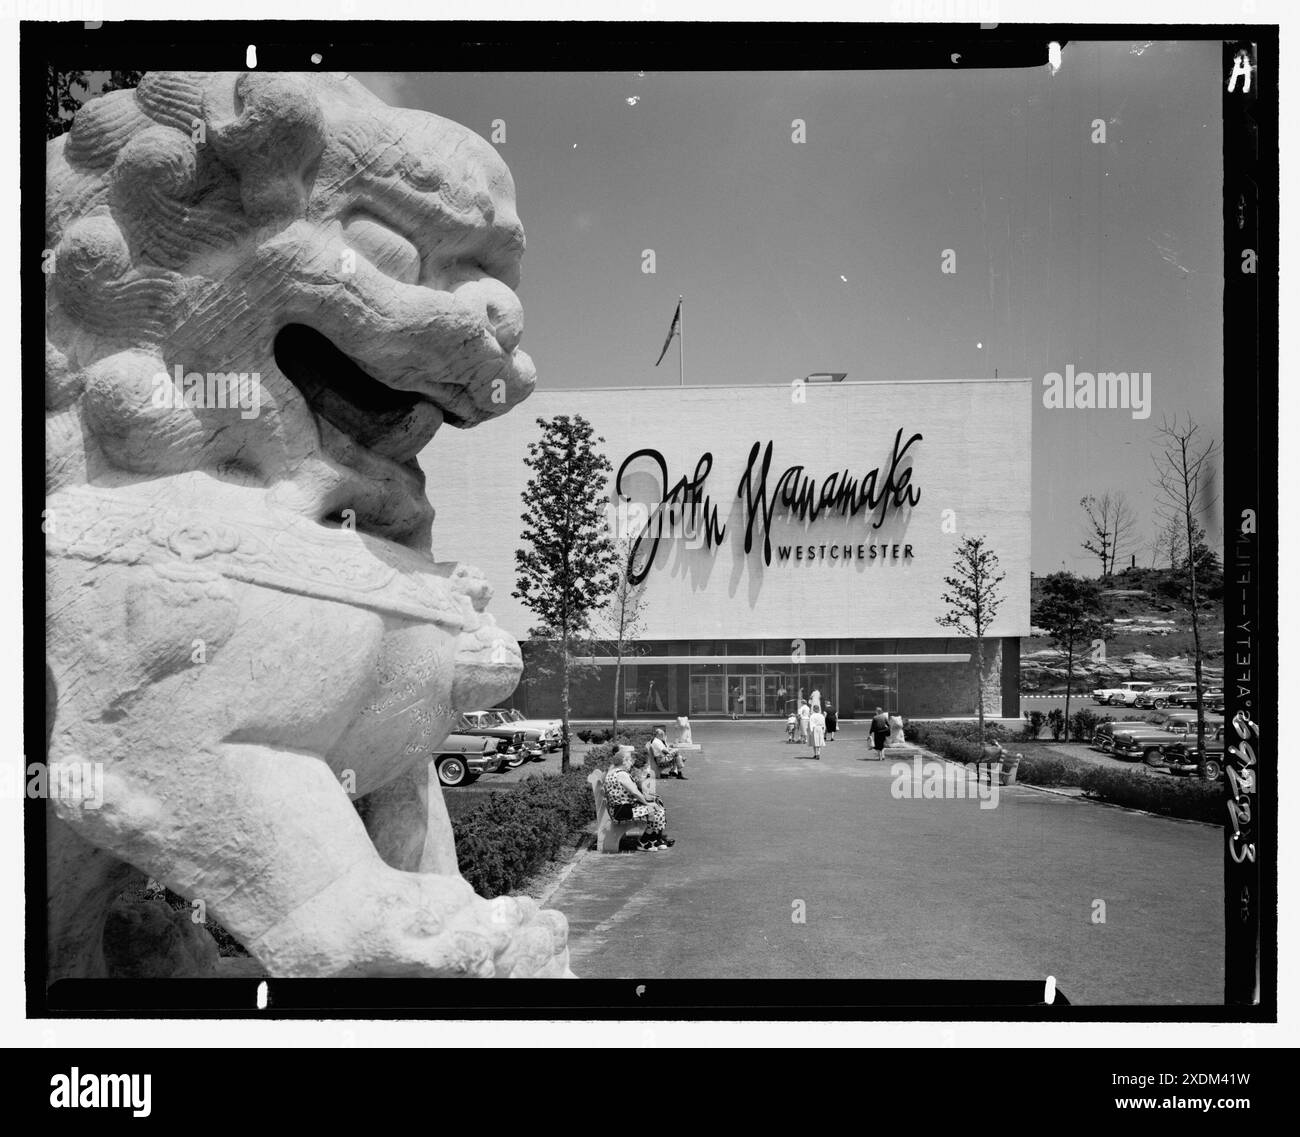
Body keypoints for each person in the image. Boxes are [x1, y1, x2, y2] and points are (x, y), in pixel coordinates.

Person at [603, 749, 673, 851]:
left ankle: (654, 840)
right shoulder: (622, 774)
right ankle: (645, 841)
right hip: (622, 811)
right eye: (630, 760)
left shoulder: (612, 772)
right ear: (624, 761)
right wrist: (647, 804)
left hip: (619, 809)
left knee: (656, 804)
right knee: (657, 810)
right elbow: (634, 792)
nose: (631, 763)